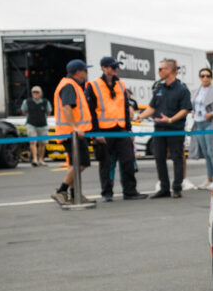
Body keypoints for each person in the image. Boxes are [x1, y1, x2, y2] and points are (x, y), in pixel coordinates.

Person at [88, 56, 142, 201]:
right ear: (104, 68)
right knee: (105, 164)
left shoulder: (121, 84)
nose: (116, 69)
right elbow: (91, 111)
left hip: (121, 129)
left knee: (128, 161)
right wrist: (95, 133)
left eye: (117, 66)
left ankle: (130, 192)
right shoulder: (93, 85)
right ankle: (107, 193)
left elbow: (125, 108)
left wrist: (129, 129)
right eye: (113, 67)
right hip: (104, 130)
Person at [137, 58, 191, 198]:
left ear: (169, 70)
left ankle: (177, 188)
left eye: (161, 69)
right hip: (159, 129)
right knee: (159, 158)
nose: (159, 72)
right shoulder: (159, 88)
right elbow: (152, 107)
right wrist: (141, 116)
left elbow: (185, 109)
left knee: (177, 158)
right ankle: (164, 188)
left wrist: (171, 119)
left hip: (175, 128)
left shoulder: (182, 89)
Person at [52, 59, 95, 205]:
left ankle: (75, 194)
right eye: (85, 70)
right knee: (80, 164)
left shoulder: (72, 84)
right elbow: (66, 107)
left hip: (72, 132)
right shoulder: (69, 85)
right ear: (78, 72)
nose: (86, 73)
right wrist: (75, 127)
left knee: (75, 164)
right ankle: (61, 191)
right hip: (72, 133)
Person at [18, 86, 50, 166]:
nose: (35, 94)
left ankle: (41, 159)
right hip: (31, 124)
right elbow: (24, 111)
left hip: (43, 125)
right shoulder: (27, 101)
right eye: (34, 92)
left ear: (41, 93)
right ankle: (35, 159)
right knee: (33, 142)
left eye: (37, 92)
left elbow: (48, 112)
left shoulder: (45, 102)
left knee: (42, 143)